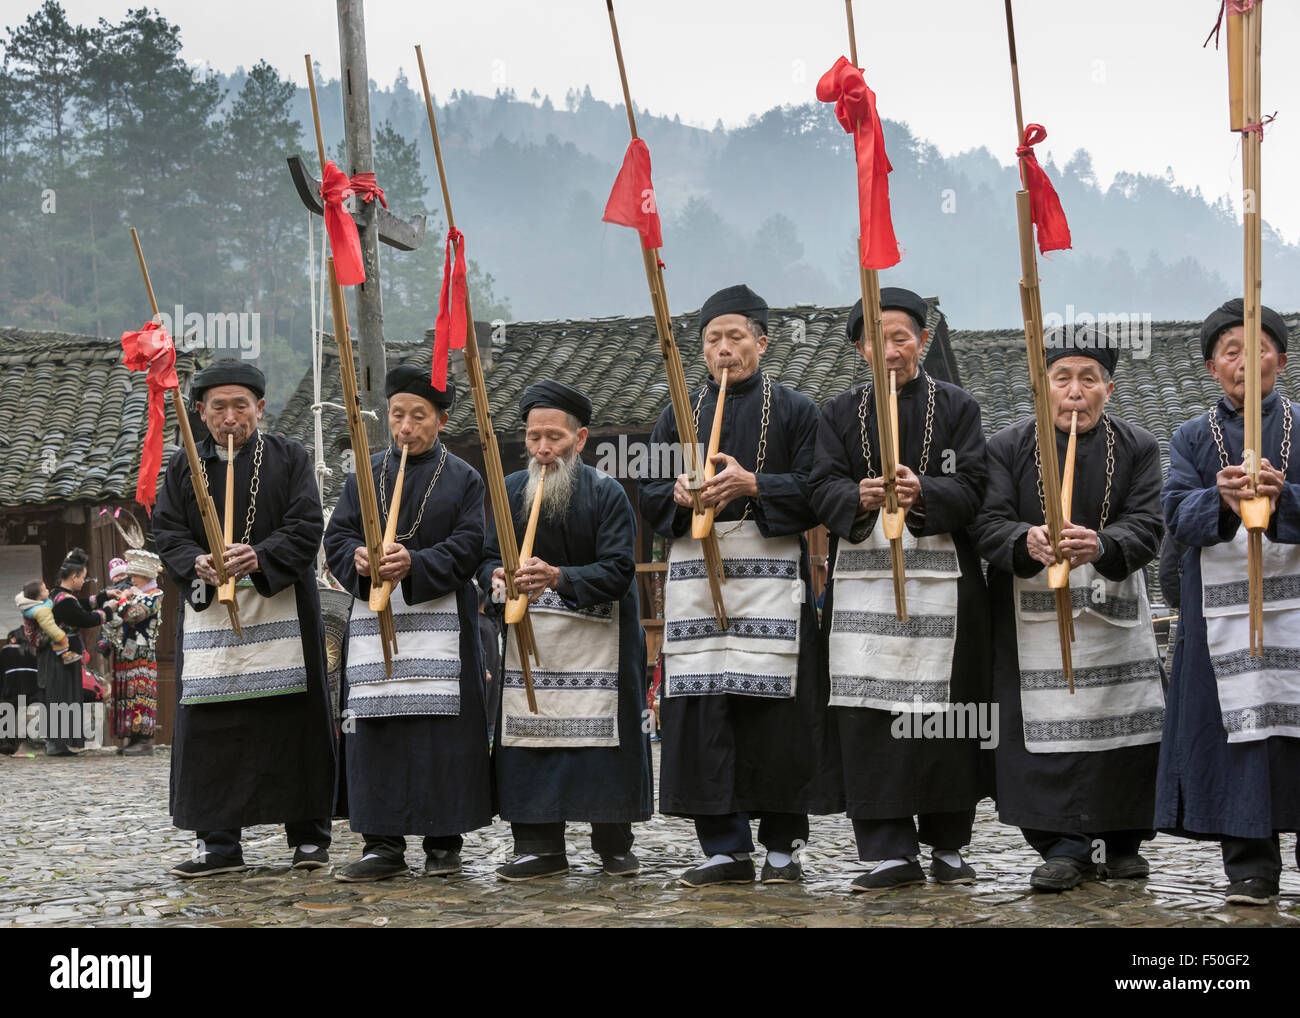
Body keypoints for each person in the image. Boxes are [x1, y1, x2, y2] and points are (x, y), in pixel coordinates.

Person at [639, 283, 841, 887]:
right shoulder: (677, 412)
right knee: (705, 715)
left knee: (776, 716)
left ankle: (782, 845)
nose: (724, 350)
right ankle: (723, 847)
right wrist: (674, 494)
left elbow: (818, 490)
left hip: (772, 583)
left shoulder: (800, 410)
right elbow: (647, 498)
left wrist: (756, 486)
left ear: (761, 340)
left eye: (735, 337)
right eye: (712, 340)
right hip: (697, 584)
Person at [809, 289, 991, 891]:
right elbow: (820, 485)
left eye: (902, 337)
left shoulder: (959, 408)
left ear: (922, 341)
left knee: (946, 712)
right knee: (870, 716)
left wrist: (926, 493)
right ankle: (887, 849)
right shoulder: (838, 412)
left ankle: (948, 844)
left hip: (944, 582)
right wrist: (854, 498)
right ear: (860, 348)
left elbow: (976, 487)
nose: (890, 350)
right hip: (864, 586)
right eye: (876, 339)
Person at [973, 329, 1165, 892]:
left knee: (1122, 724)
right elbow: (987, 522)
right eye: (1063, 378)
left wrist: (1103, 544)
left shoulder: (1139, 446)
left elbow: (1149, 523)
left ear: (1109, 387)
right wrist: (1024, 540)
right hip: (1030, 610)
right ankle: (1062, 845)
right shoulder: (1006, 447)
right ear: (1043, 387)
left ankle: (1122, 839)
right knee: (1043, 731)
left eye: (1088, 379)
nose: (1075, 391)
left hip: (1114, 610)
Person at [153, 360, 335, 877]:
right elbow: (166, 530)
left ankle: (307, 838)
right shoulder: (182, 466)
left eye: (241, 406)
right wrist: (197, 561)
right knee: (214, 732)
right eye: (218, 407)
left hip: (283, 610)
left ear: (259, 408)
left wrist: (259, 556)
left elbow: (306, 523)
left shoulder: (289, 457)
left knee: (292, 725)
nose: (230, 417)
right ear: (199, 413)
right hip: (212, 619)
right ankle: (218, 844)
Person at [323, 365, 493, 882]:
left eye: (419, 416)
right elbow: (337, 538)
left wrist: (414, 564)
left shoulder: (464, 478)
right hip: (376, 627)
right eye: (397, 415)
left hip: (442, 626)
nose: (406, 427)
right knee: (380, 734)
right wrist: (354, 556)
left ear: (441, 420)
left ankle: (445, 841)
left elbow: (471, 546)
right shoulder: (365, 475)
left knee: (440, 736)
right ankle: (381, 842)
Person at [479, 379, 653, 880]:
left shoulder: (607, 493)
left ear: (579, 440)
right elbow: (489, 556)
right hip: (531, 645)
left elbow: (621, 569)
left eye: (554, 437)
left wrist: (558, 577)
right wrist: (495, 574)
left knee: (604, 747)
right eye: (534, 437)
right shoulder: (511, 490)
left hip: (600, 644)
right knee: (534, 741)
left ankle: (613, 843)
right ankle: (538, 845)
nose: (542, 449)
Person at [1157, 299, 1300, 905]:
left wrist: (1284, 495)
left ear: (1282, 359)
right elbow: (1174, 516)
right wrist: (1217, 499)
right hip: (1222, 619)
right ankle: (1250, 866)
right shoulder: (1192, 436)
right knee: (1240, 740)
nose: (1246, 361)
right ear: (1212, 366)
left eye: (1259, 347)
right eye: (1231, 351)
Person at [40, 549, 110, 756]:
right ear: (73, 576)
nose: (83, 581)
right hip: (61, 657)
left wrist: (104, 596)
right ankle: (56, 744)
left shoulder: (57, 595)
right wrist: (108, 611)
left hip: (60, 656)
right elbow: (85, 619)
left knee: (62, 696)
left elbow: (81, 604)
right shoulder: (64, 601)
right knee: (62, 697)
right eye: (82, 577)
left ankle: (58, 743)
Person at [104, 549, 165, 756]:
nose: (131, 580)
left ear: (147, 576)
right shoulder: (136, 595)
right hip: (128, 649)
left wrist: (122, 602)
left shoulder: (154, 595)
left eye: (135, 576)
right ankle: (133, 737)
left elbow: (132, 615)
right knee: (127, 691)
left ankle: (144, 739)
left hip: (142, 651)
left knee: (140, 691)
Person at [16, 581, 79, 664]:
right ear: (38, 597)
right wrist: (62, 639)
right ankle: (66, 655)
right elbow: (50, 628)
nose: (48, 590)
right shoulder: (41, 611)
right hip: (38, 638)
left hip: (35, 634)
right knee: (57, 634)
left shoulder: (33, 603)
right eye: (45, 590)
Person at [1, 627, 38, 755]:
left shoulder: (7, 650)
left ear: (13, 638)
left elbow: (2, 672)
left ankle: (7, 743)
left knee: (6, 710)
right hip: (34, 690)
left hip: (13, 689)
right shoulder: (33, 650)